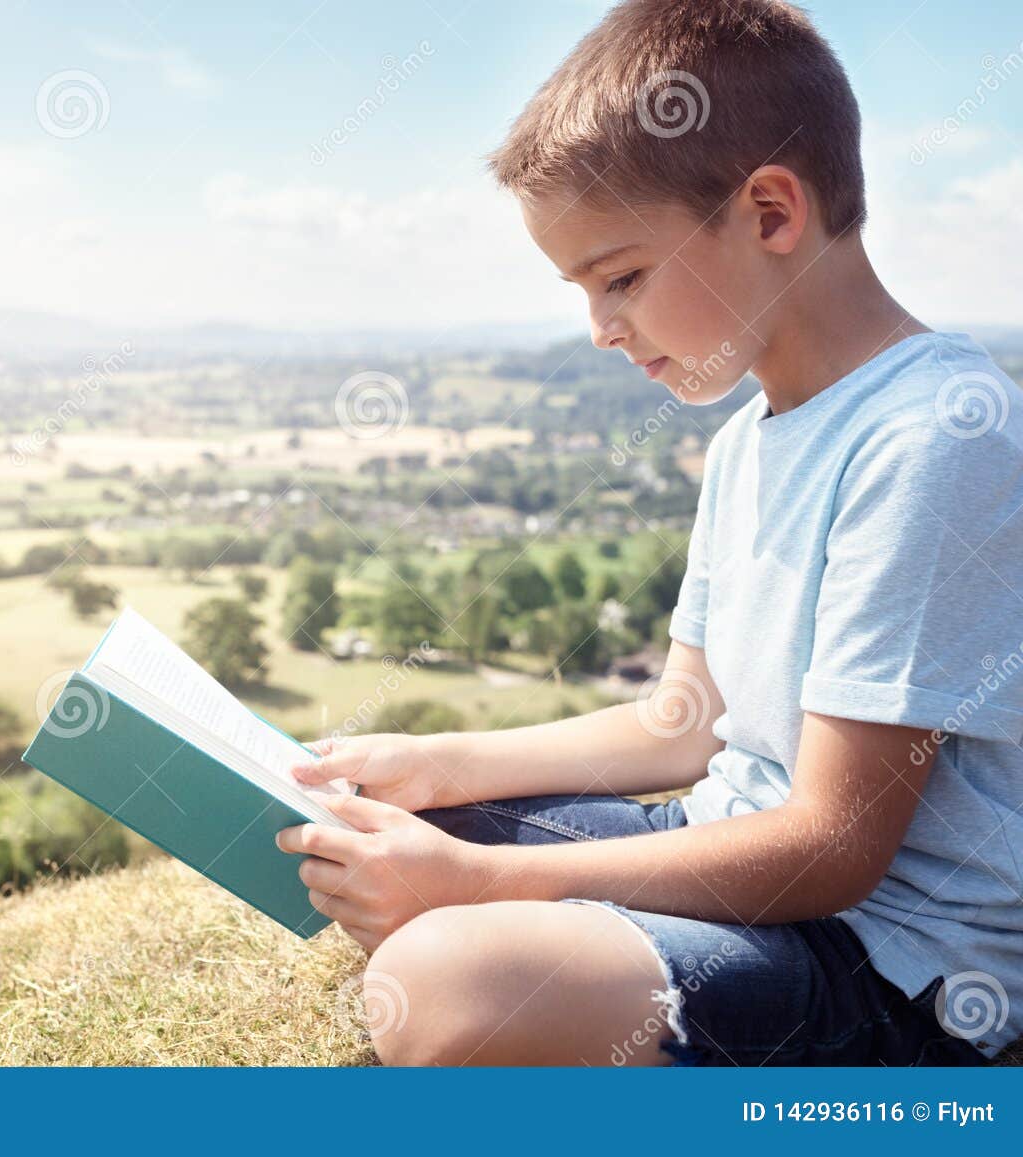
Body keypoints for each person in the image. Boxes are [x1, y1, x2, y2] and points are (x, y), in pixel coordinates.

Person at [277, 0, 1023, 1066]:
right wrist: (432, 765)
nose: (600, 328)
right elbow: (684, 723)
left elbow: (833, 848)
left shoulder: (935, 436)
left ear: (770, 212)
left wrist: (478, 885)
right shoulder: (747, 441)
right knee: (387, 831)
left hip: (896, 969)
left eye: (619, 276)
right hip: (734, 864)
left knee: (441, 978)